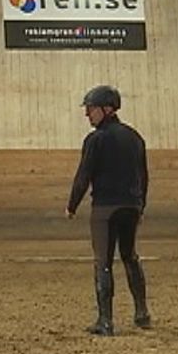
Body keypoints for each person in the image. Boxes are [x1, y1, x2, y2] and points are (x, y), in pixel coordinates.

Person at [65, 85, 152, 336]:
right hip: (131, 206)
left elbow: (84, 176)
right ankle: (142, 312)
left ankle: (105, 320)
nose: (87, 114)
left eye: (91, 109)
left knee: (103, 261)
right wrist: (141, 205)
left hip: (105, 208)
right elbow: (143, 176)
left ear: (107, 109)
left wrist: (72, 205)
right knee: (130, 256)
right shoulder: (135, 138)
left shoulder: (95, 140)